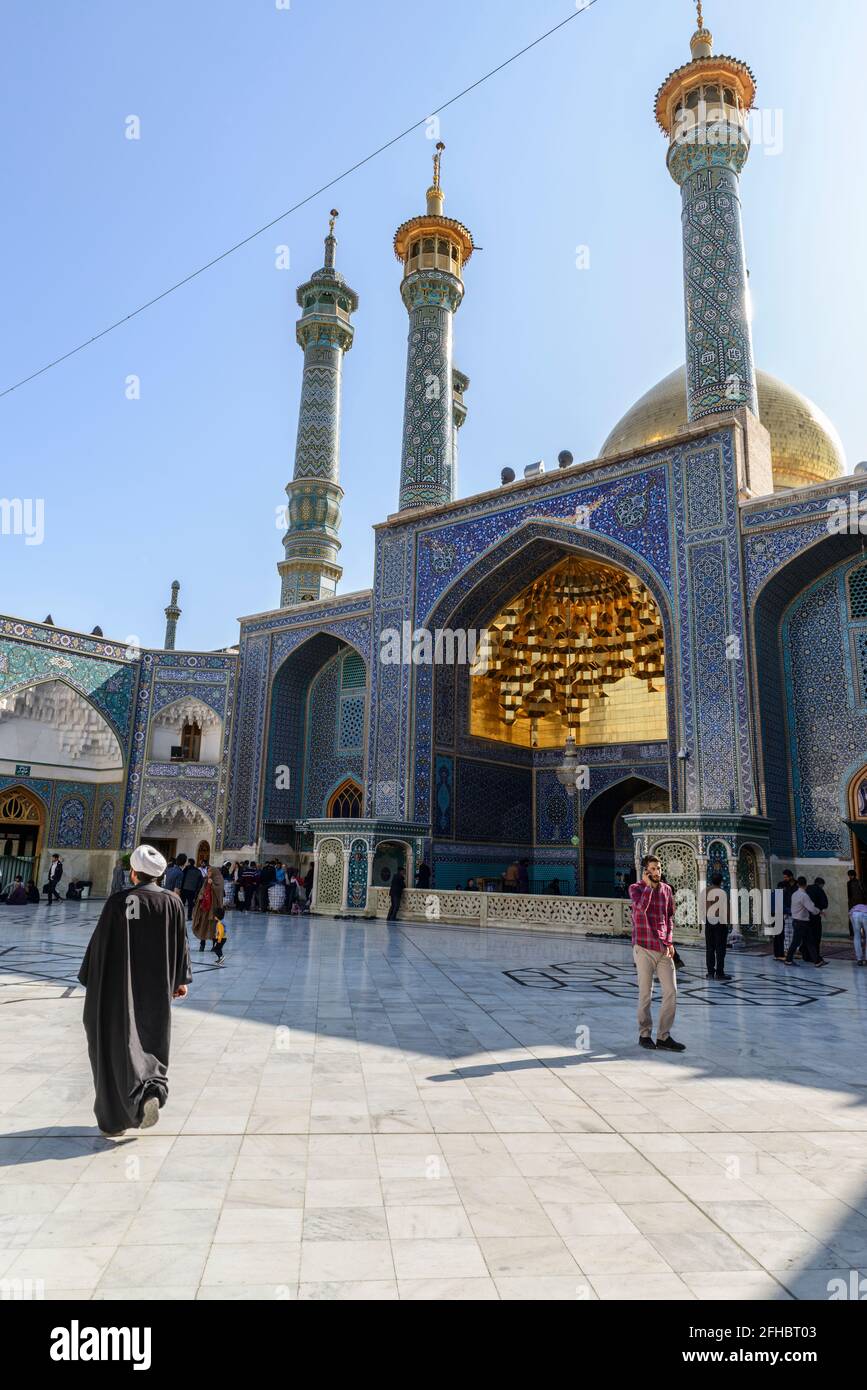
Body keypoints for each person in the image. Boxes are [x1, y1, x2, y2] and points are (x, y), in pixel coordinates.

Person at [78, 843, 190, 1138]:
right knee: (151, 1038)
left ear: (134, 873)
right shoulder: (172, 903)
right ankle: (151, 1089)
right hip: (157, 989)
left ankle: (115, 1118)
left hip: (118, 991)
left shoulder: (118, 902)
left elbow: (100, 946)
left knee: (116, 1043)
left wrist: (90, 977)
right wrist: (180, 980)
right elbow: (181, 944)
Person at [628, 854, 684, 1052]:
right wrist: (648, 888)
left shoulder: (667, 890)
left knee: (671, 991)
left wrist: (670, 942)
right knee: (646, 993)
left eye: (658, 868)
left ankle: (663, 1036)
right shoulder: (636, 889)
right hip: (643, 946)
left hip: (662, 948)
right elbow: (640, 909)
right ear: (645, 871)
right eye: (652, 869)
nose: (657, 872)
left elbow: (669, 918)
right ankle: (645, 1034)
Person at [192, 863, 226, 961]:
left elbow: (219, 891)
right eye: (208, 871)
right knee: (203, 924)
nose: (208, 872)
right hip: (205, 908)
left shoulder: (218, 879)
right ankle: (202, 944)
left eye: (210, 871)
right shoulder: (207, 880)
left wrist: (212, 885)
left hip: (213, 908)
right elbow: (202, 890)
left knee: (213, 926)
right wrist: (200, 896)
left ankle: (214, 945)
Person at [785, 877, 823, 965]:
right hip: (802, 922)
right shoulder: (804, 896)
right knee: (801, 942)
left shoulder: (794, 894)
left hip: (796, 921)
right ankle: (788, 959)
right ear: (806, 885)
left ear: (798, 884)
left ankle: (817, 961)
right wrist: (819, 911)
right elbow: (811, 908)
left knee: (808, 941)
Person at [704, 873, 731, 981]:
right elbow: (726, 909)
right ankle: (719, 972)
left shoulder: (705, 891)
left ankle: (710, 972)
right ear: (721, 882)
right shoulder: (722, 892)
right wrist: (728, 921)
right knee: (720, 948)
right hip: (720, 921)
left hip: (709, 920)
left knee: (710, 948)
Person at [806, 877, 829, 965]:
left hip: (805, 917)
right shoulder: (819, 890)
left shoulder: (807, 889)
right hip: (815, 917)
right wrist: (819, 908)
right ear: (821, 884)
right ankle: (815, 957)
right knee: (816, 937)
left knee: (807, 937)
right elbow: (825, 904)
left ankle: (807, 955)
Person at [774, 870, 796, 960]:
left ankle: (794, 950)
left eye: (786, 877)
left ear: (791, 876)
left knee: (794, 931)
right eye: (784, 877)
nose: (785, 879)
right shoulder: (782, 884)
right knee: (786, 932)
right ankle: (786, 950)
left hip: (795, 910)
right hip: (786, 911)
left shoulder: (797, 884)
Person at [849, 873, 867, 965]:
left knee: (857, 936)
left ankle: (859, 959)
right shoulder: (863, 889)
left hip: (854, 913)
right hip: (865, 913)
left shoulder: (852, 892)